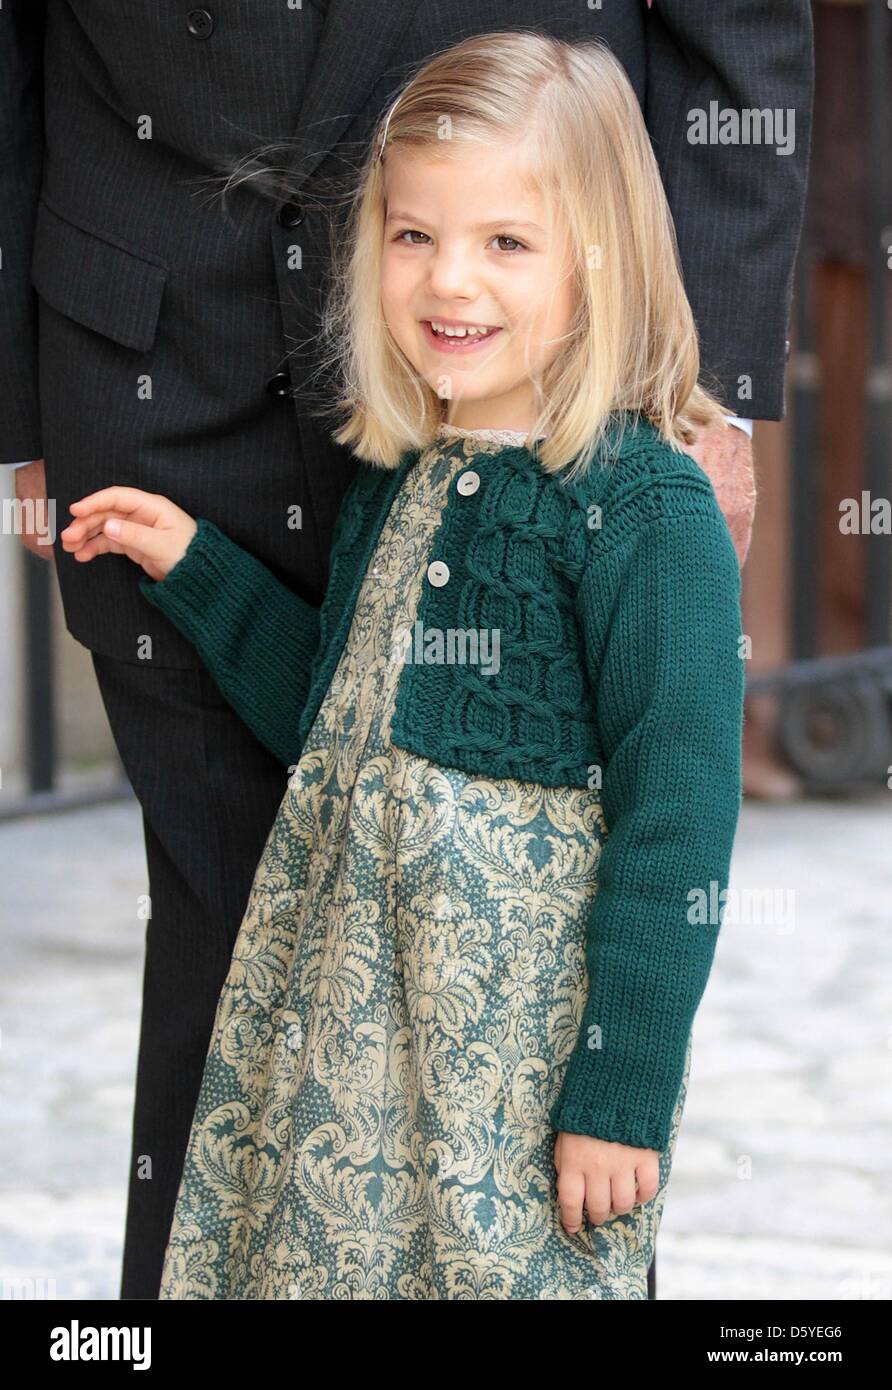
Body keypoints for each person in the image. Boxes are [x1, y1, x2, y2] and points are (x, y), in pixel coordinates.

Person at [3, 1, 813, 1299]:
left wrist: (622, 1087)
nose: (450, 280)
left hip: (515, 1092)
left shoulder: (641, 514)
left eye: (506, 242)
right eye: (414, 237)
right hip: (346, 1108)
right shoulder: (405, 479)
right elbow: (335, 717)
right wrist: (199, 567)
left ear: (600, 256)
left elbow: (680, 826)